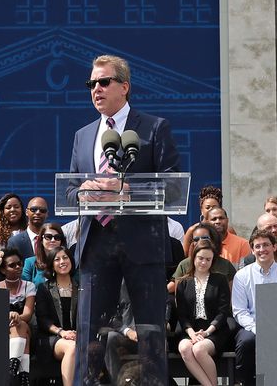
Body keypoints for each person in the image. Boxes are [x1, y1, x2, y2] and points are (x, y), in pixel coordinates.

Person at [68, 54, 181, 385]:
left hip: (142, 245)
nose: (96, 89)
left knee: (149, 333)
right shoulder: (83, 135)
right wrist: (84, 190)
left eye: (104, 82)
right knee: (89, 333)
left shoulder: (153, 128)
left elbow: (173, 186)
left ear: (124, 86)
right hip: (96, 243)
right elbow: (70, 190)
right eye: (91, 83)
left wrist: (129, 190)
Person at [232, 230, 277, 386]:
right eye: (257, 246)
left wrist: (276, 328)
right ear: (252, 250)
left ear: (274, 247)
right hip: (250, 326)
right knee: (246, 342)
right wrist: (256, 328)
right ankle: (244, 382)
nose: (262, 250)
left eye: (266, 245)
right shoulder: (241, 276)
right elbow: (239, 311)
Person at [175, 242, 232, 386]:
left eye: (208, 259)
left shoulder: (220, 280)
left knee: (199, 349)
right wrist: (192, 334)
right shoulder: (183, 283)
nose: (204, 262)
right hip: (190, 330)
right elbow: (181, 314)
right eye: (200, 258)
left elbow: (223, 312)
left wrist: (207, 332)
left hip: (215, 330)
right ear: (194, 257)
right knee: (185, 348)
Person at [0, 248, 36, 384]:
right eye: (12, 265)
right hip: (1, 331)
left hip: (24, 327)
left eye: (19, 263)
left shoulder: (29, 286)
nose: (18, 267)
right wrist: (8, 315)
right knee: (22, 332)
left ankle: (12, 368)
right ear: (3, 270)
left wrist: (16, 317)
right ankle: (24, 375)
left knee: (21, 325)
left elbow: (27, 314)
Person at [34, 245, 79, 386]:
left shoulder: (81, 287)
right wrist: (62, 332)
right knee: (72, 347)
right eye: (57, 259)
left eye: (65, 257)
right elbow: (42, 319)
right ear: (52, 265)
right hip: (51, 338)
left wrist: (78, 333)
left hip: (77, 335)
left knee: (94, 346)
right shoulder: (44, 288)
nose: (62, 262)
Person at [168, 224, 236, 292]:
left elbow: (231, 294)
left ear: (213, 239)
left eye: (205, 238)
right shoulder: (184, 265)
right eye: (196, 239)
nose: (200, 241)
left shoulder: (225, 265)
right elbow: (178, 295)